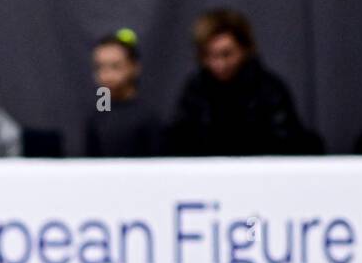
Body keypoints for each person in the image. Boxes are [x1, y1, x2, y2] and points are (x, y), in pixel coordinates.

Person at [168, 8, 311, 156]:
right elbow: (179, 143)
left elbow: (287, 143)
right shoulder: (195, 91)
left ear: (245, 49)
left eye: (226, 54)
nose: (219, 64)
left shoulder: (269, 90)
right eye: (210, 56)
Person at [83, 29, 164, 157]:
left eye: (115, 66)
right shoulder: (96, 118)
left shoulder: (148, 118)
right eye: (100, 67)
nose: (107, 75)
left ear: (134, 67)